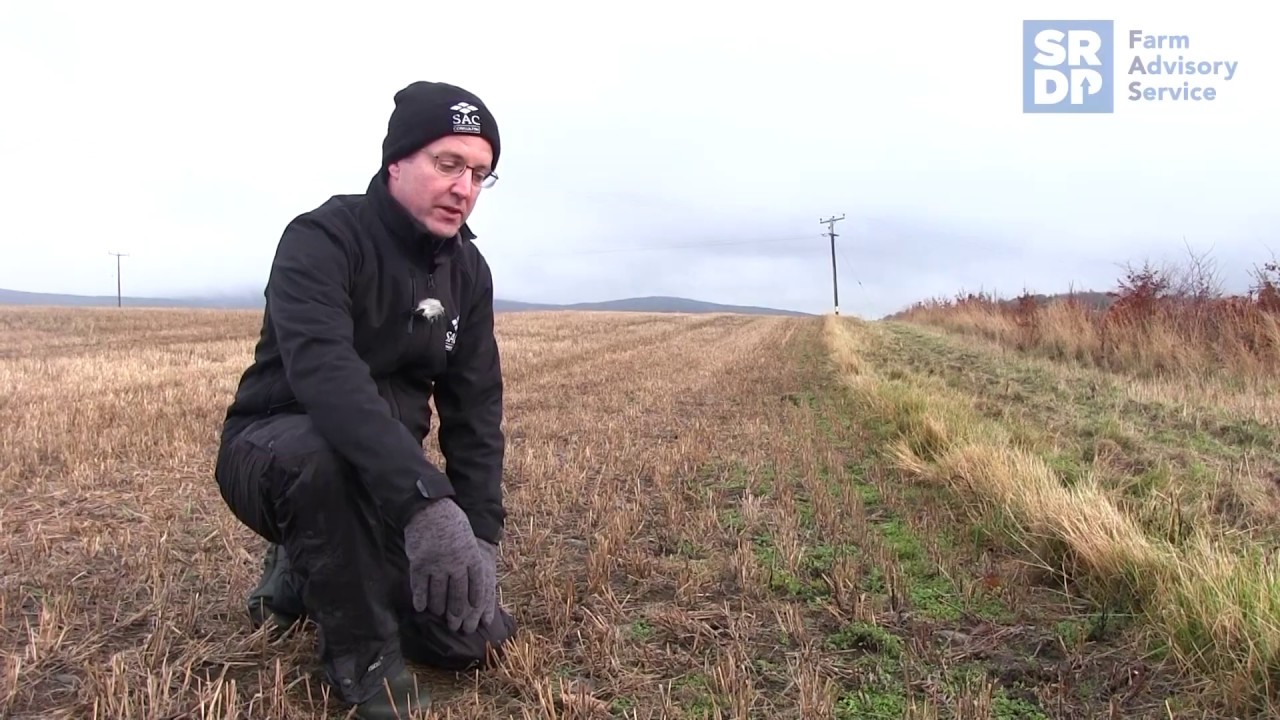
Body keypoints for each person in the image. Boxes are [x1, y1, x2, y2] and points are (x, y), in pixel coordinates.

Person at [213, 80, 515, 719]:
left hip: (383, 480)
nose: (465, 187)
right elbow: (329, 379)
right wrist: (426, 506)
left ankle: (307, 571)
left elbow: (475, 410)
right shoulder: (322, 239)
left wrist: (479, 535)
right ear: (397, 161)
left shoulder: (468, 273)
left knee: (467, 639)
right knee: (322, 457)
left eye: (480, 173)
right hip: (275, 450)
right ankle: (366, 667)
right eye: (449, 163)